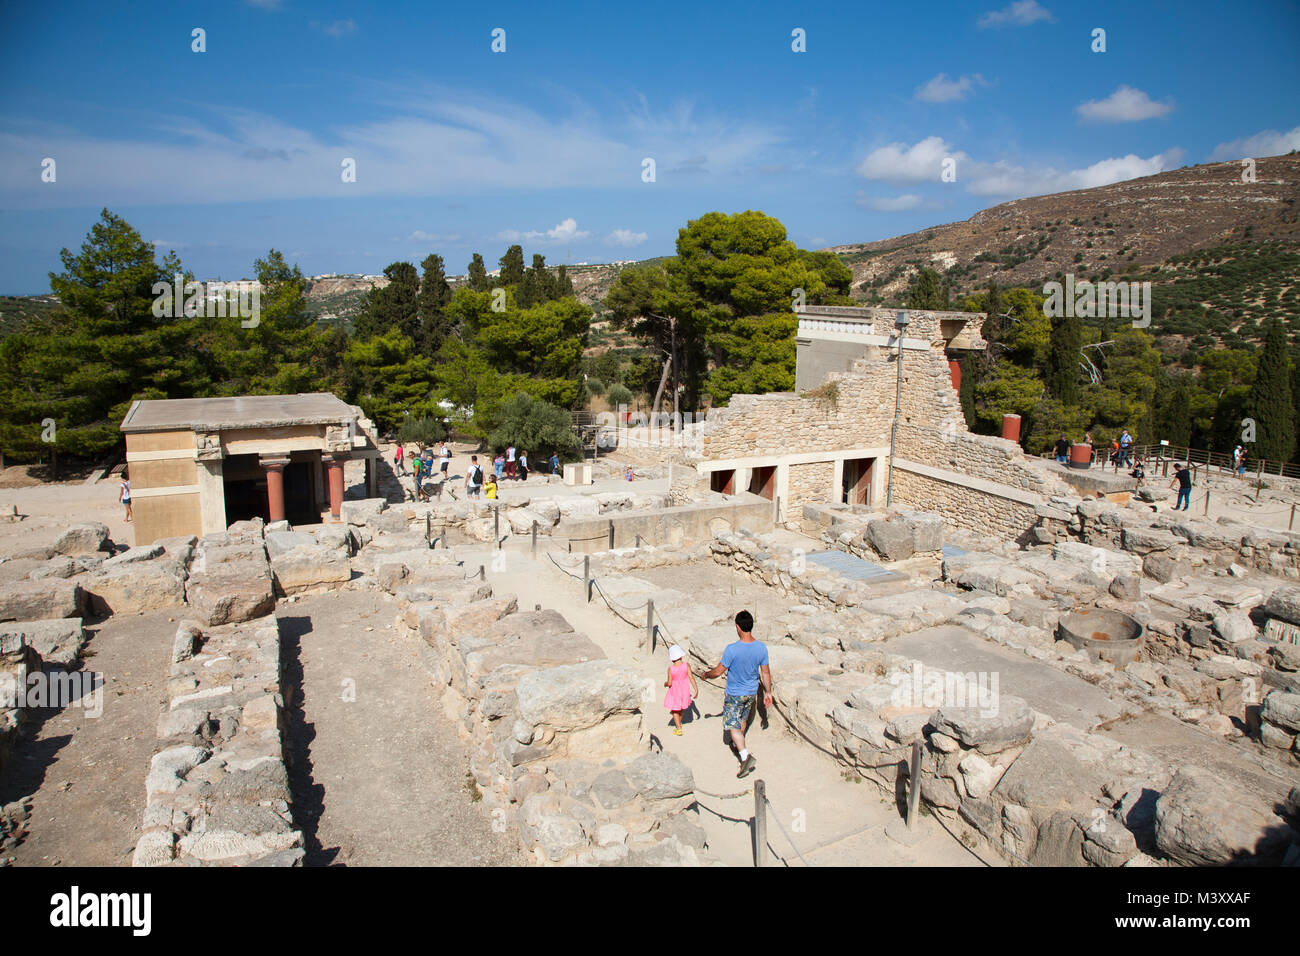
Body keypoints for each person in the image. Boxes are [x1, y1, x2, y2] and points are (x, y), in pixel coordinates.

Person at [698, 609, 772, 779]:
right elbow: (765, 673)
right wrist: (768, 692)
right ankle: (738, 743)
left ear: (738, 627)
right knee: (743, 719)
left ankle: (745, 756)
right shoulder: (761, 648)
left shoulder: (732, 649)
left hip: (734, 693)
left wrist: (706, 674)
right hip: (751, 692)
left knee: (732, 724)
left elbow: (718, 671)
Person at [663, 645, 698, 737]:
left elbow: (670, 683)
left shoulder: (670, 669)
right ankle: (679, 723)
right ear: (681, 655)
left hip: (675, 692)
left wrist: (665, 683)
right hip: (684, 691)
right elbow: (691, 677)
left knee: (674, 710)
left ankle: (678, 729)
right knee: (681, 708)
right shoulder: (686, 665)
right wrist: (696, 689)